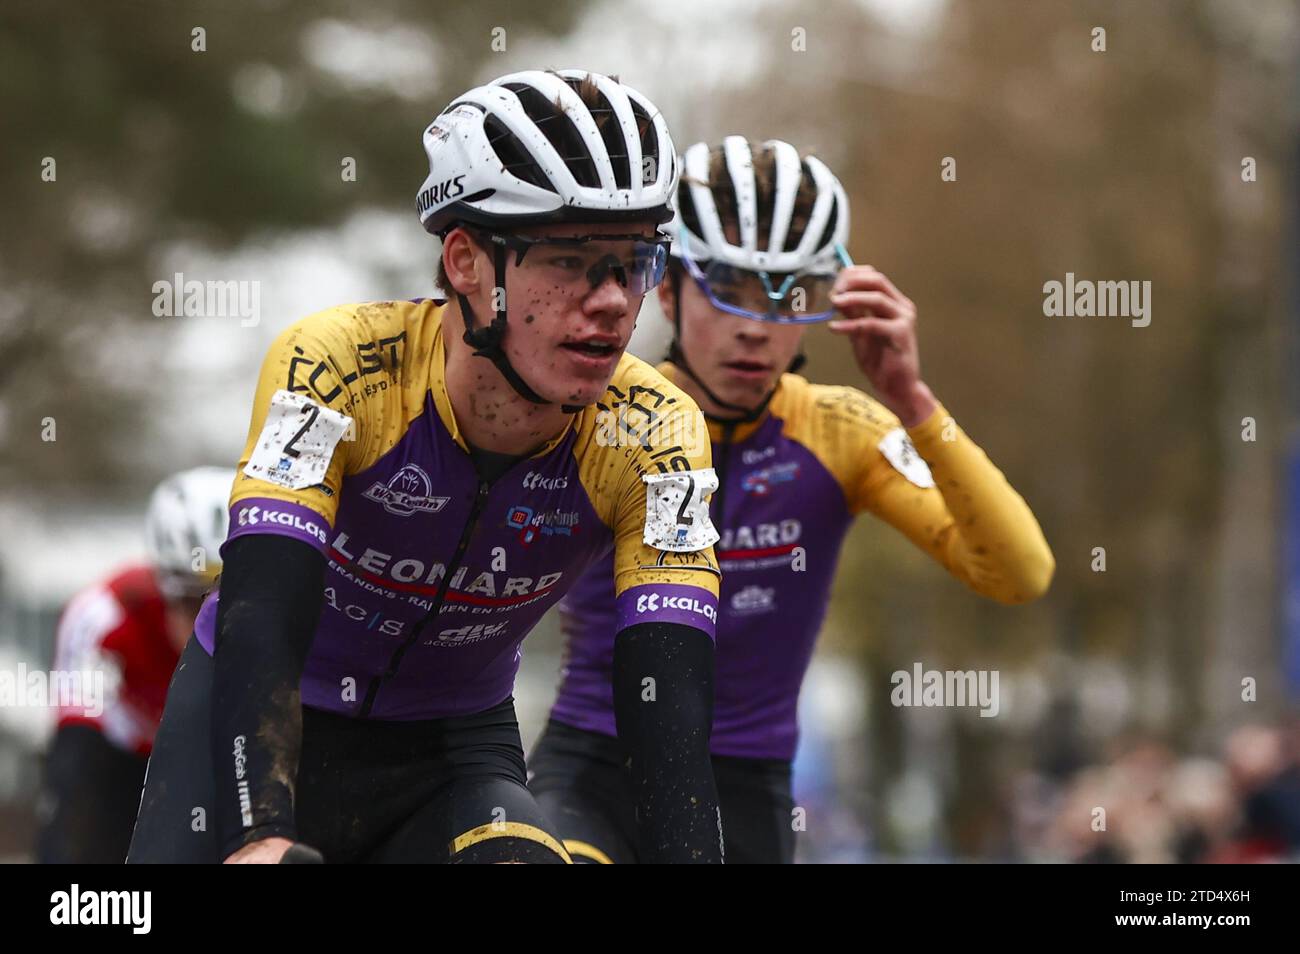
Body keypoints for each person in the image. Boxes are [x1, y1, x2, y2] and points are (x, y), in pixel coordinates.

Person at [128, 69, 725, 864]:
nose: (613, 300)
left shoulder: (656, 431)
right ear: (467, 261)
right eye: (573, 258)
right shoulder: (336, 367)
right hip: (260, 724)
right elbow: (263, 610)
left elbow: (669, 705)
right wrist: (259, 834)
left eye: (635, 261)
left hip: (451, 753)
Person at [529, 136, 1055, 863]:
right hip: (592, 772)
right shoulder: (602, 414)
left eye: (788, 297)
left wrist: (912, 399)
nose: (755, 327)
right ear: (668, 289)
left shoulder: (840, 432)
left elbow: (1018, 571)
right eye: (728, 289)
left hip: (748, 790)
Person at [37, 466, 233, 863]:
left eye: (226, 600)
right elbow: (76, 755)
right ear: (161, 585)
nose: (207, 622)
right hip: (129, 757)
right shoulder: (105, 615)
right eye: (190, 599)